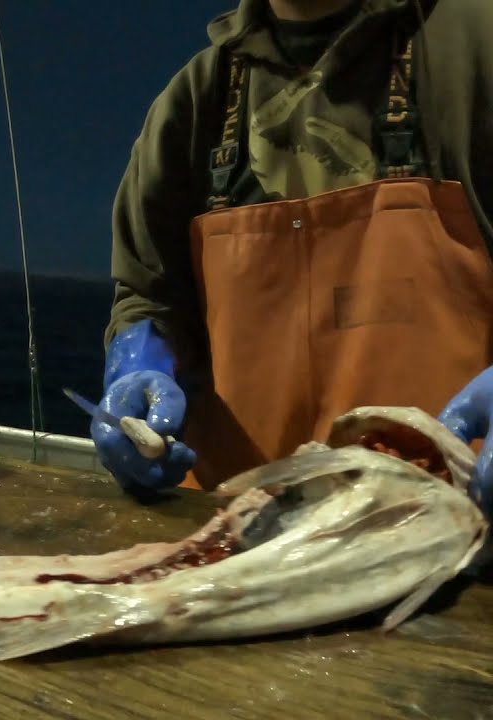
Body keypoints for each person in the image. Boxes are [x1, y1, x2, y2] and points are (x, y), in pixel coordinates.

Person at [94, 0, 493, 509]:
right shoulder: (194, 101)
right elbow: (148, 297)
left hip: (452, 539)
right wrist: (138, 363)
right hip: (237, 549)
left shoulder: (475, 45)